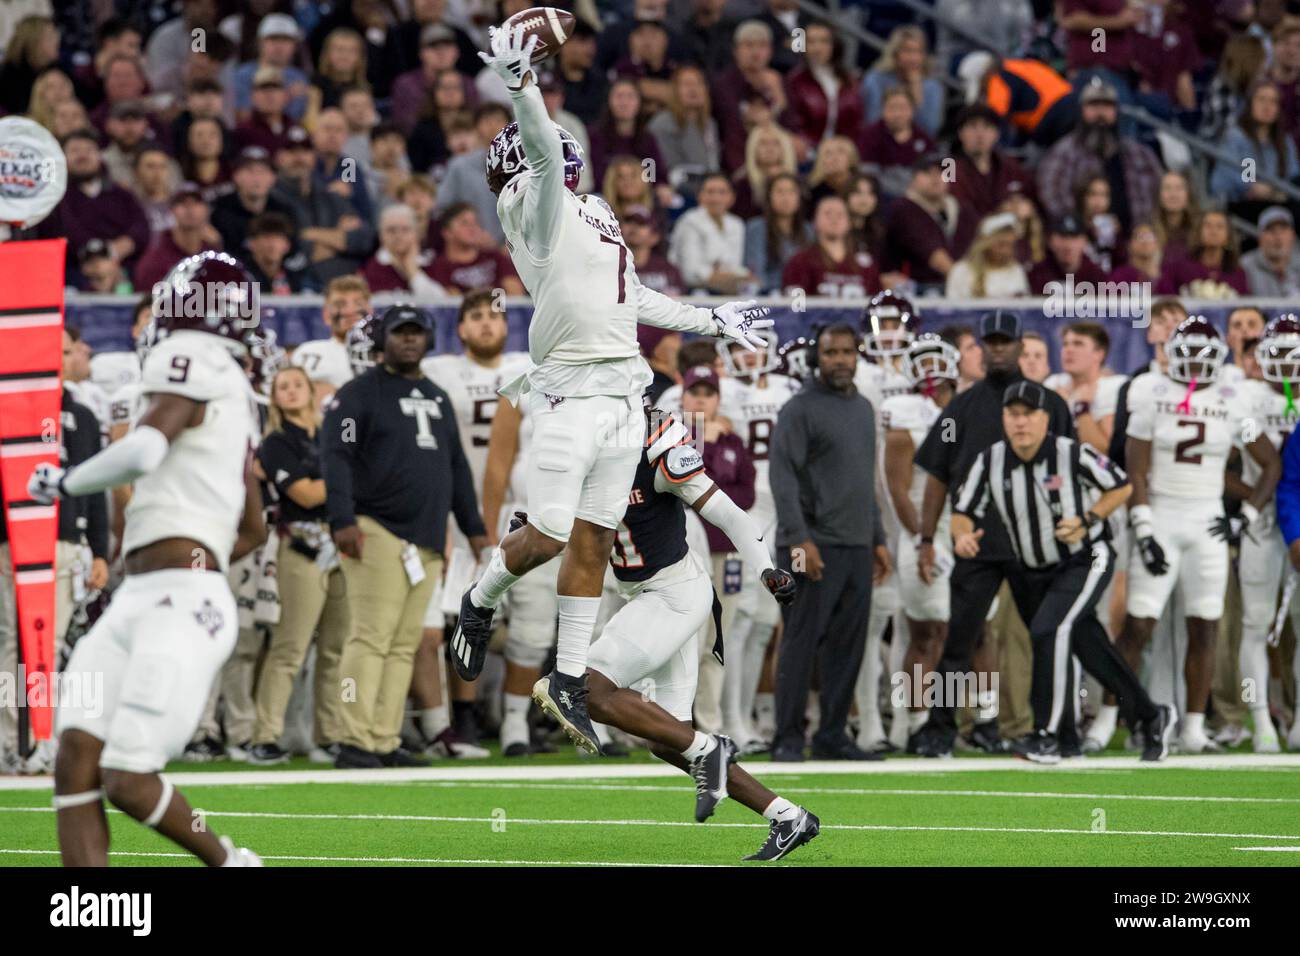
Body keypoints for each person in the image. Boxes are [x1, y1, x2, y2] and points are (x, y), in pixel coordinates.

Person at [457, 22, 773, 755]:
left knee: (594, 540)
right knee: (556, 529)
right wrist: (522, 83)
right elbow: (537, 146)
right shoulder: (529, 209)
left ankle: (568, 677)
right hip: (571, 390)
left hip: (623, 394)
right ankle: (479, 601)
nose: (564, 161)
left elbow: (635, 299)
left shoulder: (593, 212)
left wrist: (712, 320)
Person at [30, 251, 266, 866]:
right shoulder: (235, 389)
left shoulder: (189, 358)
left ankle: (232, 863)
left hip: (177, 601)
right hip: (146, 594)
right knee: (74, 758)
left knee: (127, 774)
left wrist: (65, 481)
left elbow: (142, 453)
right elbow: (255, 522)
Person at [579, 402, 816, 861]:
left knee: (588, 690)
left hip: (673, 594)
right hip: (646, 596)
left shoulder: (656, 445)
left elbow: (727, 513)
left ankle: (711, 748)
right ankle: (788, 816)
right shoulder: (582, 443)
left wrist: (767, 569)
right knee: (667, 739)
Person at [951, 380, 1175, 762]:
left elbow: (1119, 486)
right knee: (1091, 649)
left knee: (1050, 630)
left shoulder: (1071, 453)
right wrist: (962, 537)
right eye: (1012, 414)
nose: (1020, 423)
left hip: (1085, 557)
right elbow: (962, 511)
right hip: (1033, 570)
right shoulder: (990, 460)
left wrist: (1088, 518)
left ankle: (1047, 733)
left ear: (1045, 419)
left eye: (1028, 415)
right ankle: (1149, 716)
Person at [321, 304, 489, 769]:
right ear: (382, 341)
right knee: (370, 637)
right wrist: (342, 520)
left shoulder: (437, 397)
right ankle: (352, 739)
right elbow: (335, 457)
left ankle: (382, 737)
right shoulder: (357, 394)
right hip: (376, 528)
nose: (409, 340)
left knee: (404, 643)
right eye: (400, 333)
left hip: (428, 538)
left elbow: (456, 467)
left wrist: (474, 530)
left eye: (417, 332)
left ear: (429, 339)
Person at [1111, 316, 1279, 754]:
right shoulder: (1153, 394)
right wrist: (1144, 526)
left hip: (1207, 524)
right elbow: (1136, 469)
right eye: (1186, 354)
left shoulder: (1232, 400)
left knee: (1205, 627)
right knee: (1137, 626)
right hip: (1162, 516)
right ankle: (1114, 720)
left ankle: (1192, 728)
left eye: (1203, 357)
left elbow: (1271, 463)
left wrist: (1243, 515)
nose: (1193, 366)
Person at [911, 311, 1075, 757]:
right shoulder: (960, 408)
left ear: (1022, 346)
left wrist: (1068, 532)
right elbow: (938, 476)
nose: (999, 349)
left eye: (1007, 341)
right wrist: (927, 539)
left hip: (1036, 545)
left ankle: (1053, 729)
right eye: (992, 342)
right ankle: (940, 732)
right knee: (958, 641)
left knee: (1046, 637)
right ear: (981, 347)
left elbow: (1071, 471)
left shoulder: (1051, 404)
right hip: (976, 543)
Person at [768, 324, 892, 761]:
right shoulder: (798, 409)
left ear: (858, 355)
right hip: (809, 545)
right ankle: (786, 737)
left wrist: (877, 539)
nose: (839, 359)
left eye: (846, 351)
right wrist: (800, 541)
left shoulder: (862, 408)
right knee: (801, 641)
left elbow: (865, 481)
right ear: (817, 357)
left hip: (857, 545)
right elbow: (782, 480)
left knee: (848, 645)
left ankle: (832, 735)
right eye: (831, 352)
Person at [0, 344, 109, 775]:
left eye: (62, 351)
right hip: (13, 541)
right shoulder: (9, 406)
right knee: (13, 642)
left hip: (63, 540)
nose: (55, 357)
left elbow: (95, 484)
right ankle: (12, 742)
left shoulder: (81, 416)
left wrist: (100, 549)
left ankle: (41, 740)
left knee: (49, 645)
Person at [246, 365, 350, 765]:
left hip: (341, 543)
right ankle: (265, 736)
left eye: (296, 385)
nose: (289, 392)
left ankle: (332, 734)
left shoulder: (332, 435)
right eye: (281, 387)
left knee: (336, 649)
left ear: (311, 391)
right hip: (302, 544)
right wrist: (347, 479)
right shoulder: (274, 443)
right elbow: (304, 495)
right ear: (274, 397)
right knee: (291, 646)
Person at [879, 334, 961, 752]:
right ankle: (912, 722)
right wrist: (922, 540)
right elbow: (898, 488)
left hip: (962, 528)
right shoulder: (902, 410)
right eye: (921, 361)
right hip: (919, 527)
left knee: (965, 630)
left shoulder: (967, 408)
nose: (930, 369)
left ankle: (964, 721)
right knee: (924, 631)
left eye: (937, 359)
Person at [678, 363, 755, 733]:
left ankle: (709, 724)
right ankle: (668, 722)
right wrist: (701, 438)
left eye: (708, 393)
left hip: (726, 549)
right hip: (686, 551)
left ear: (718, 399)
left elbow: (746, 494)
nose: (701, 399)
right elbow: (691, 488)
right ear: (683, 397)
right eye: (695, 392)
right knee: (683, 640)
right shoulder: (673, 434)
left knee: (716, 641)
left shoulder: (733, 441)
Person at [1235, 315, 1300, 753]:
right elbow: (1229, 451)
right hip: (1260, 521)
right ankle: (1259, 718)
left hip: (1297, 521)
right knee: (1255, 622)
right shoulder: (1243, 398)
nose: (1282, 362)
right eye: (1274, 352)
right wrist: (1248, 502)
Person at [1036, 78, 1164, 231]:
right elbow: (1051, 197)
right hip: (1081, 243)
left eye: (1107, 106)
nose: (1100, 112)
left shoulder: (1140, 155)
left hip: (1136, 241)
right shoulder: (1063, 153)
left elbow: (1159, 194)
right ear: (1082, 110)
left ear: (1116, 111)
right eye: (1094, 105)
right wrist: (1082, 226)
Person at [883, 153, 978, 295]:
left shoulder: (962, 209)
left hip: (956, 286)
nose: (936, 178)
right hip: (917, 289)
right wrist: (968, 284)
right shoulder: (903, 208)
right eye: (927, 172)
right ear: (913, 178)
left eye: (942, 172)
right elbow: (933, 254)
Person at [1044, 322, 1127, 452]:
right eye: (1065, 344)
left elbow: (1103, 450)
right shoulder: (1052, 383)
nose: (1068, 350)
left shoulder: (1114, 387)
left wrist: (1082, 408)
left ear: (1099, 353)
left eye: (1078, 344)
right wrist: (1059, 406)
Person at [781, 194, 880, 299]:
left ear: (849, 222)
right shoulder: (800, 261)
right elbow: (795, 306)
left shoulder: (866, 264)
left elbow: (876, 304)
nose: (834, 219)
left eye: (840, 214)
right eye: (827, 214)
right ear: (814, 221)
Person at [668, 172, 750, 294]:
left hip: (726, 291)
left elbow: (735, 265)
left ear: (732, 197)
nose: (716, 198)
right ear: (699, 196)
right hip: (689, 293)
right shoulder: (689, 221)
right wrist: (730, 276)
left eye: (722, 192)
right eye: (710, 192)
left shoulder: (736, 224)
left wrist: (732, 275)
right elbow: (690, 273)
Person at [132, 184, 224, 290]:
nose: (189, 208)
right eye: (181, 202)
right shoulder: (154, 261)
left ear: (206, 210)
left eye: (196, 202)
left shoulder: (213, 256)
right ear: (171, 210)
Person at [292, 276, 371, 399]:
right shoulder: (307, 352)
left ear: (371, 311)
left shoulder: (387, 356)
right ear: (326, 315)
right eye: (340, 304)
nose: (350, 311)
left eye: (358, 303)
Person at [429, 203, 524, 294]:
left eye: (475, 222)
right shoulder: (439, 267)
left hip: (501, 310)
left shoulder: (495, 257)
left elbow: (515, 294)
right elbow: (452, 302)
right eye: (464, 223)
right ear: (447, 232)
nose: (473, 228)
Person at [944, 212, 1029, 299]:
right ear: (984, 245)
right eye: (1001, 245)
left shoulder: (1016, 270)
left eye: (1011, 245)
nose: (1006, 252)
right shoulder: (960, 271)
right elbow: (953, 309)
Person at [1243, 206, 1300, 297]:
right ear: (1260, 237)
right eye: (1271, 230)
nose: (1278, 237)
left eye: (1283, 230)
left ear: (1292, 235)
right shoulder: (1245, 266)